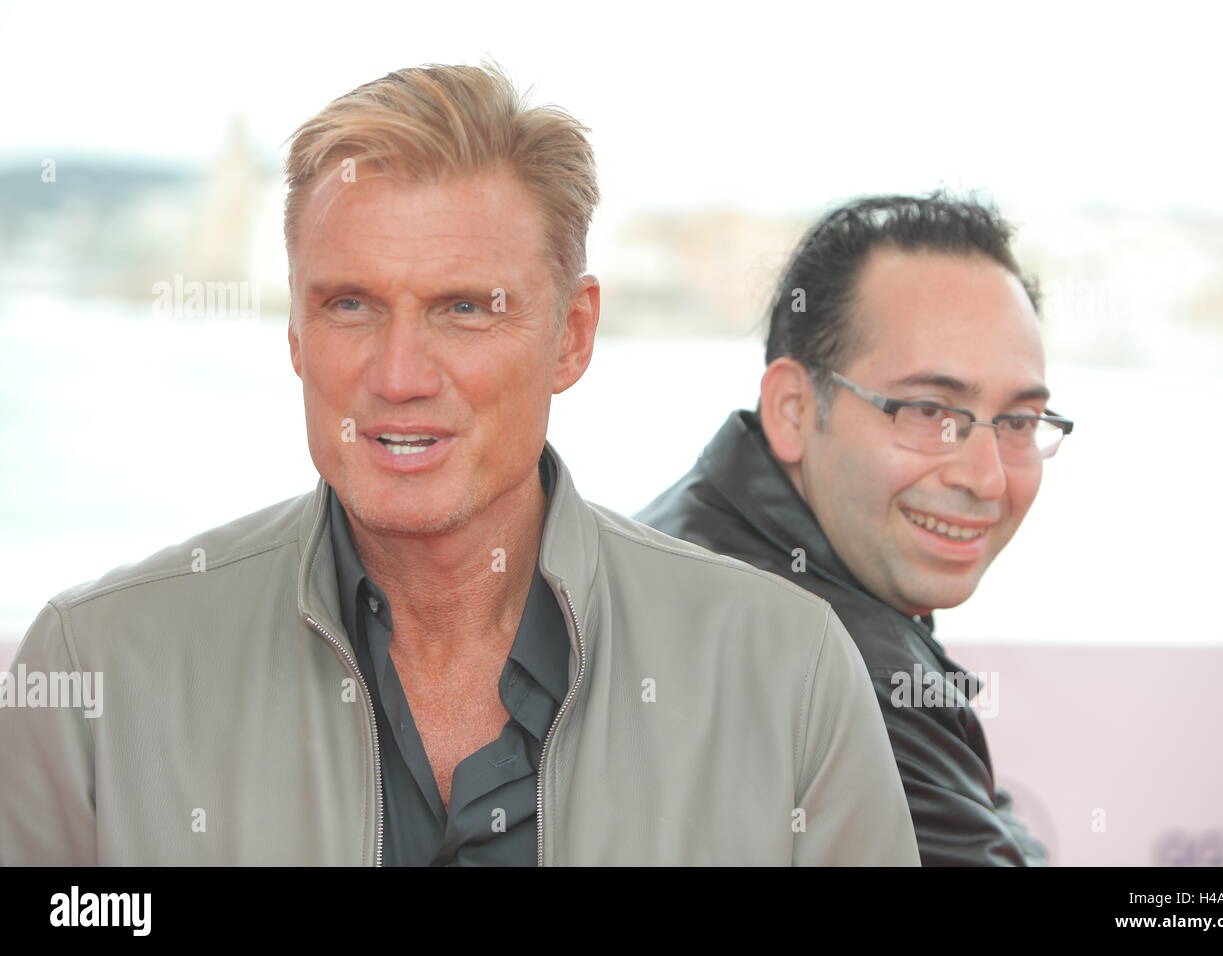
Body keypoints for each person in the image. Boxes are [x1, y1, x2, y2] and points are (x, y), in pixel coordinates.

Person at [0, 64, 919, 866]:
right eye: (351, 305)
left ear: (574, 334)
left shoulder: (786, 675)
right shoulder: (94, 675)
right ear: (294, 329)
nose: (399, 376)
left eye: (464, 310)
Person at [639, 193, 1072, 865]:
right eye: (929, 411)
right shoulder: (841, 671)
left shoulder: (688, 532)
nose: (986, 478)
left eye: (1017, 422)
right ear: (792, 408)